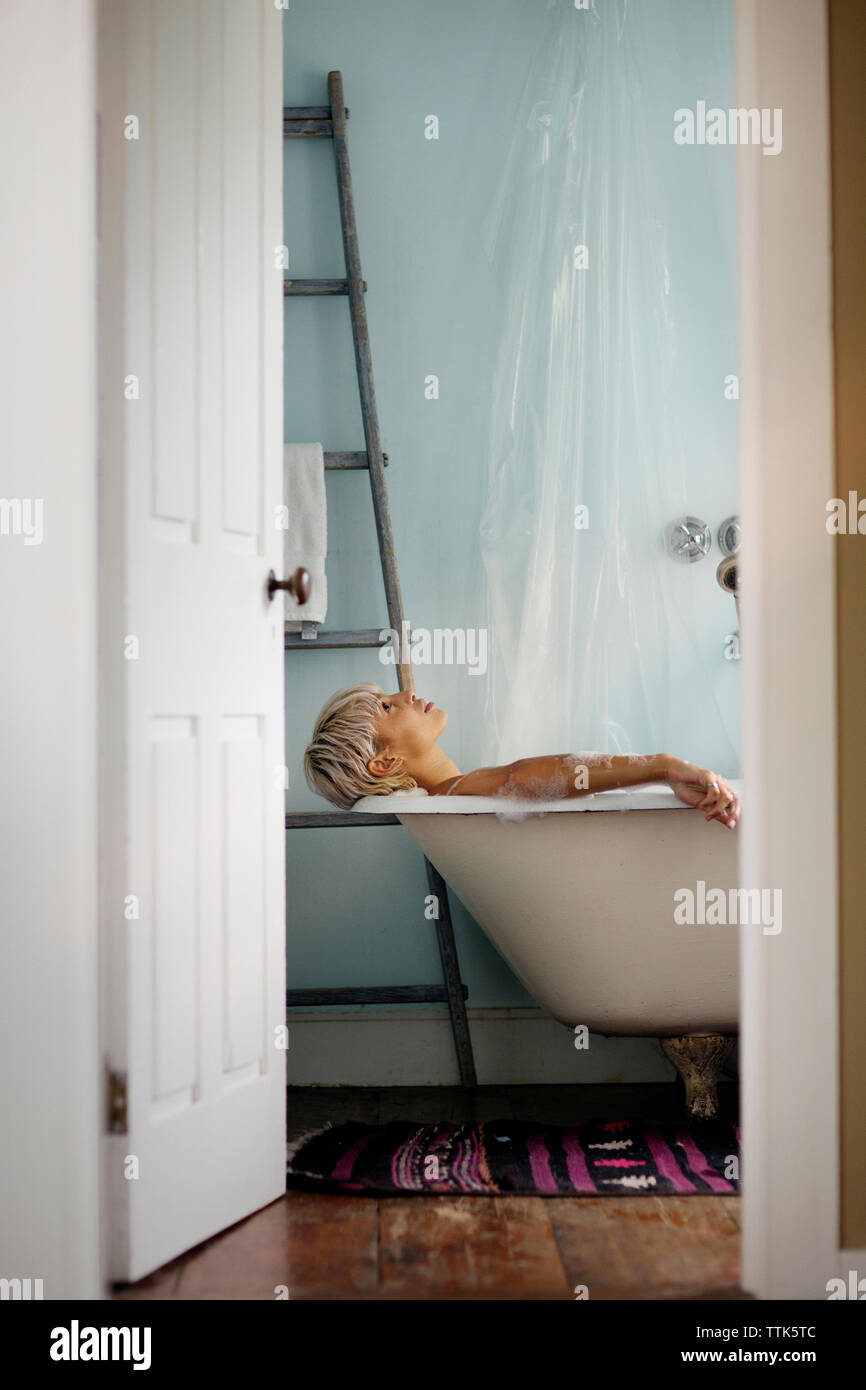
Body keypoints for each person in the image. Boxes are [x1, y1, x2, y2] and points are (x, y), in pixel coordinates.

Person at [303, 681, 741, 827]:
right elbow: (520, 778)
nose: (406, 694)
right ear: (385, 763)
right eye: (386, 707)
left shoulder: (453, 795)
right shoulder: (452, 794)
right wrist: (662, 767)